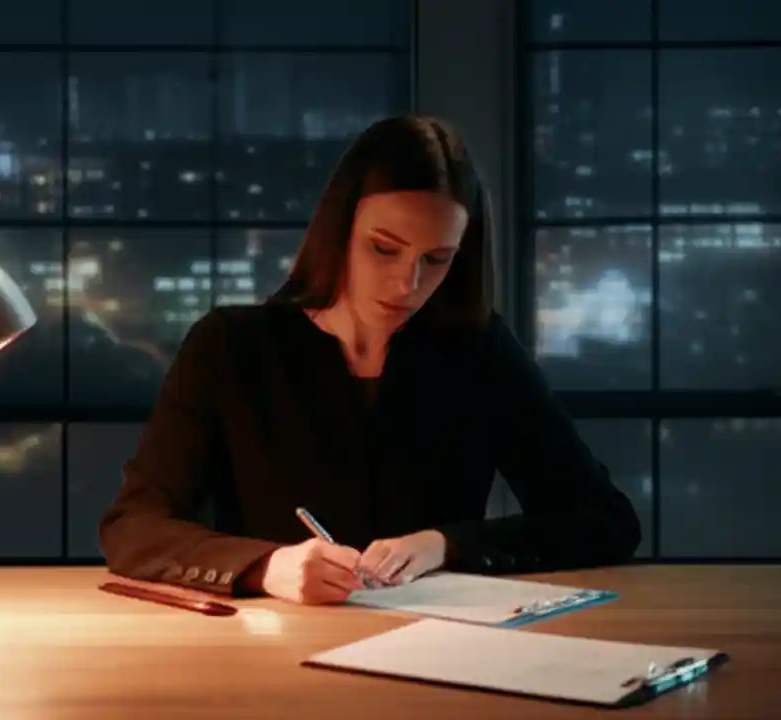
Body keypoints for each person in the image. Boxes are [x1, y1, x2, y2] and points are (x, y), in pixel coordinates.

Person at [98, 115, 641, 606]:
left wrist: (446, 545)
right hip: (271, 656)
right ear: (339, 233)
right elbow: (133, 527)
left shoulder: (479, 351)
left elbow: (605, 520)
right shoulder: (231, 346)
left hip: (438, 650)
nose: (407, 284)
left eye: (437, 260)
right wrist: (268, 567)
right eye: (384, 248)